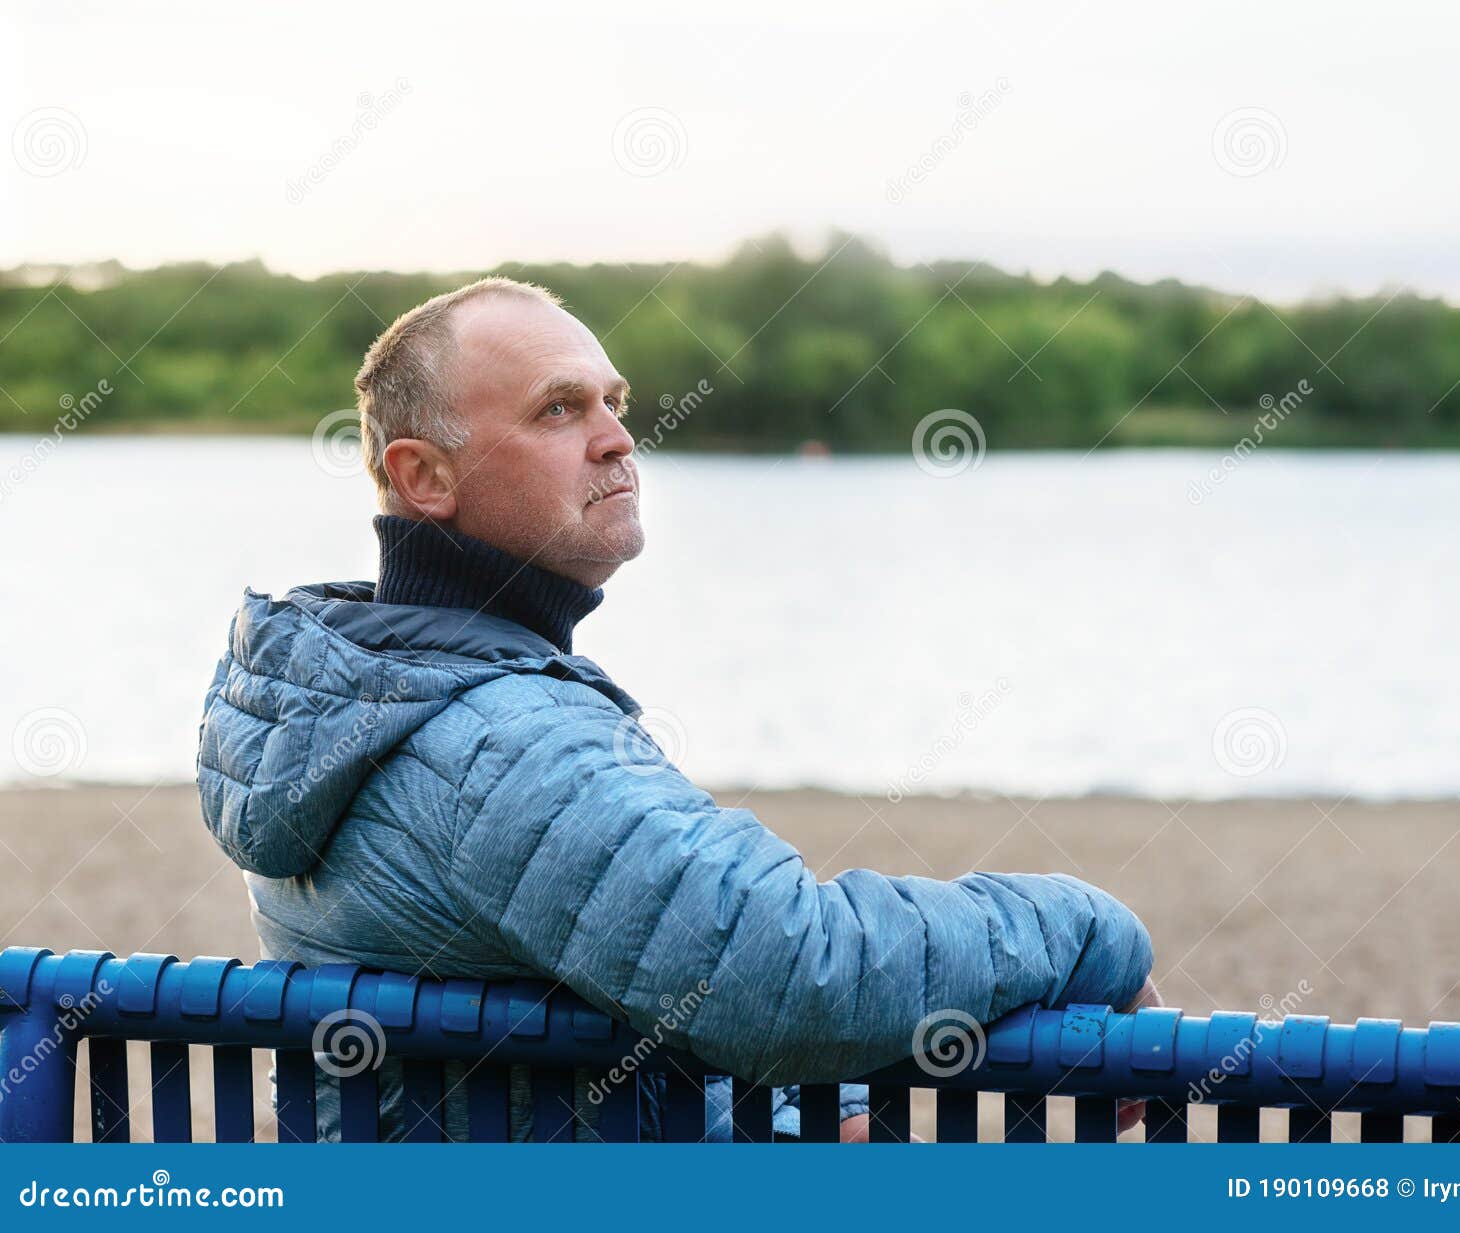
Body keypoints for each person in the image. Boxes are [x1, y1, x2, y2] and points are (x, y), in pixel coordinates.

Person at [196, 277, 1158, 1141]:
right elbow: (793, 977)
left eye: (615, 403)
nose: (617, 439)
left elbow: (589, 999)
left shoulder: (355, 701)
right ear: (424, 478)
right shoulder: (493, 745)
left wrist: (796, 1115)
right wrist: (1090, 926)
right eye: (560, 410)